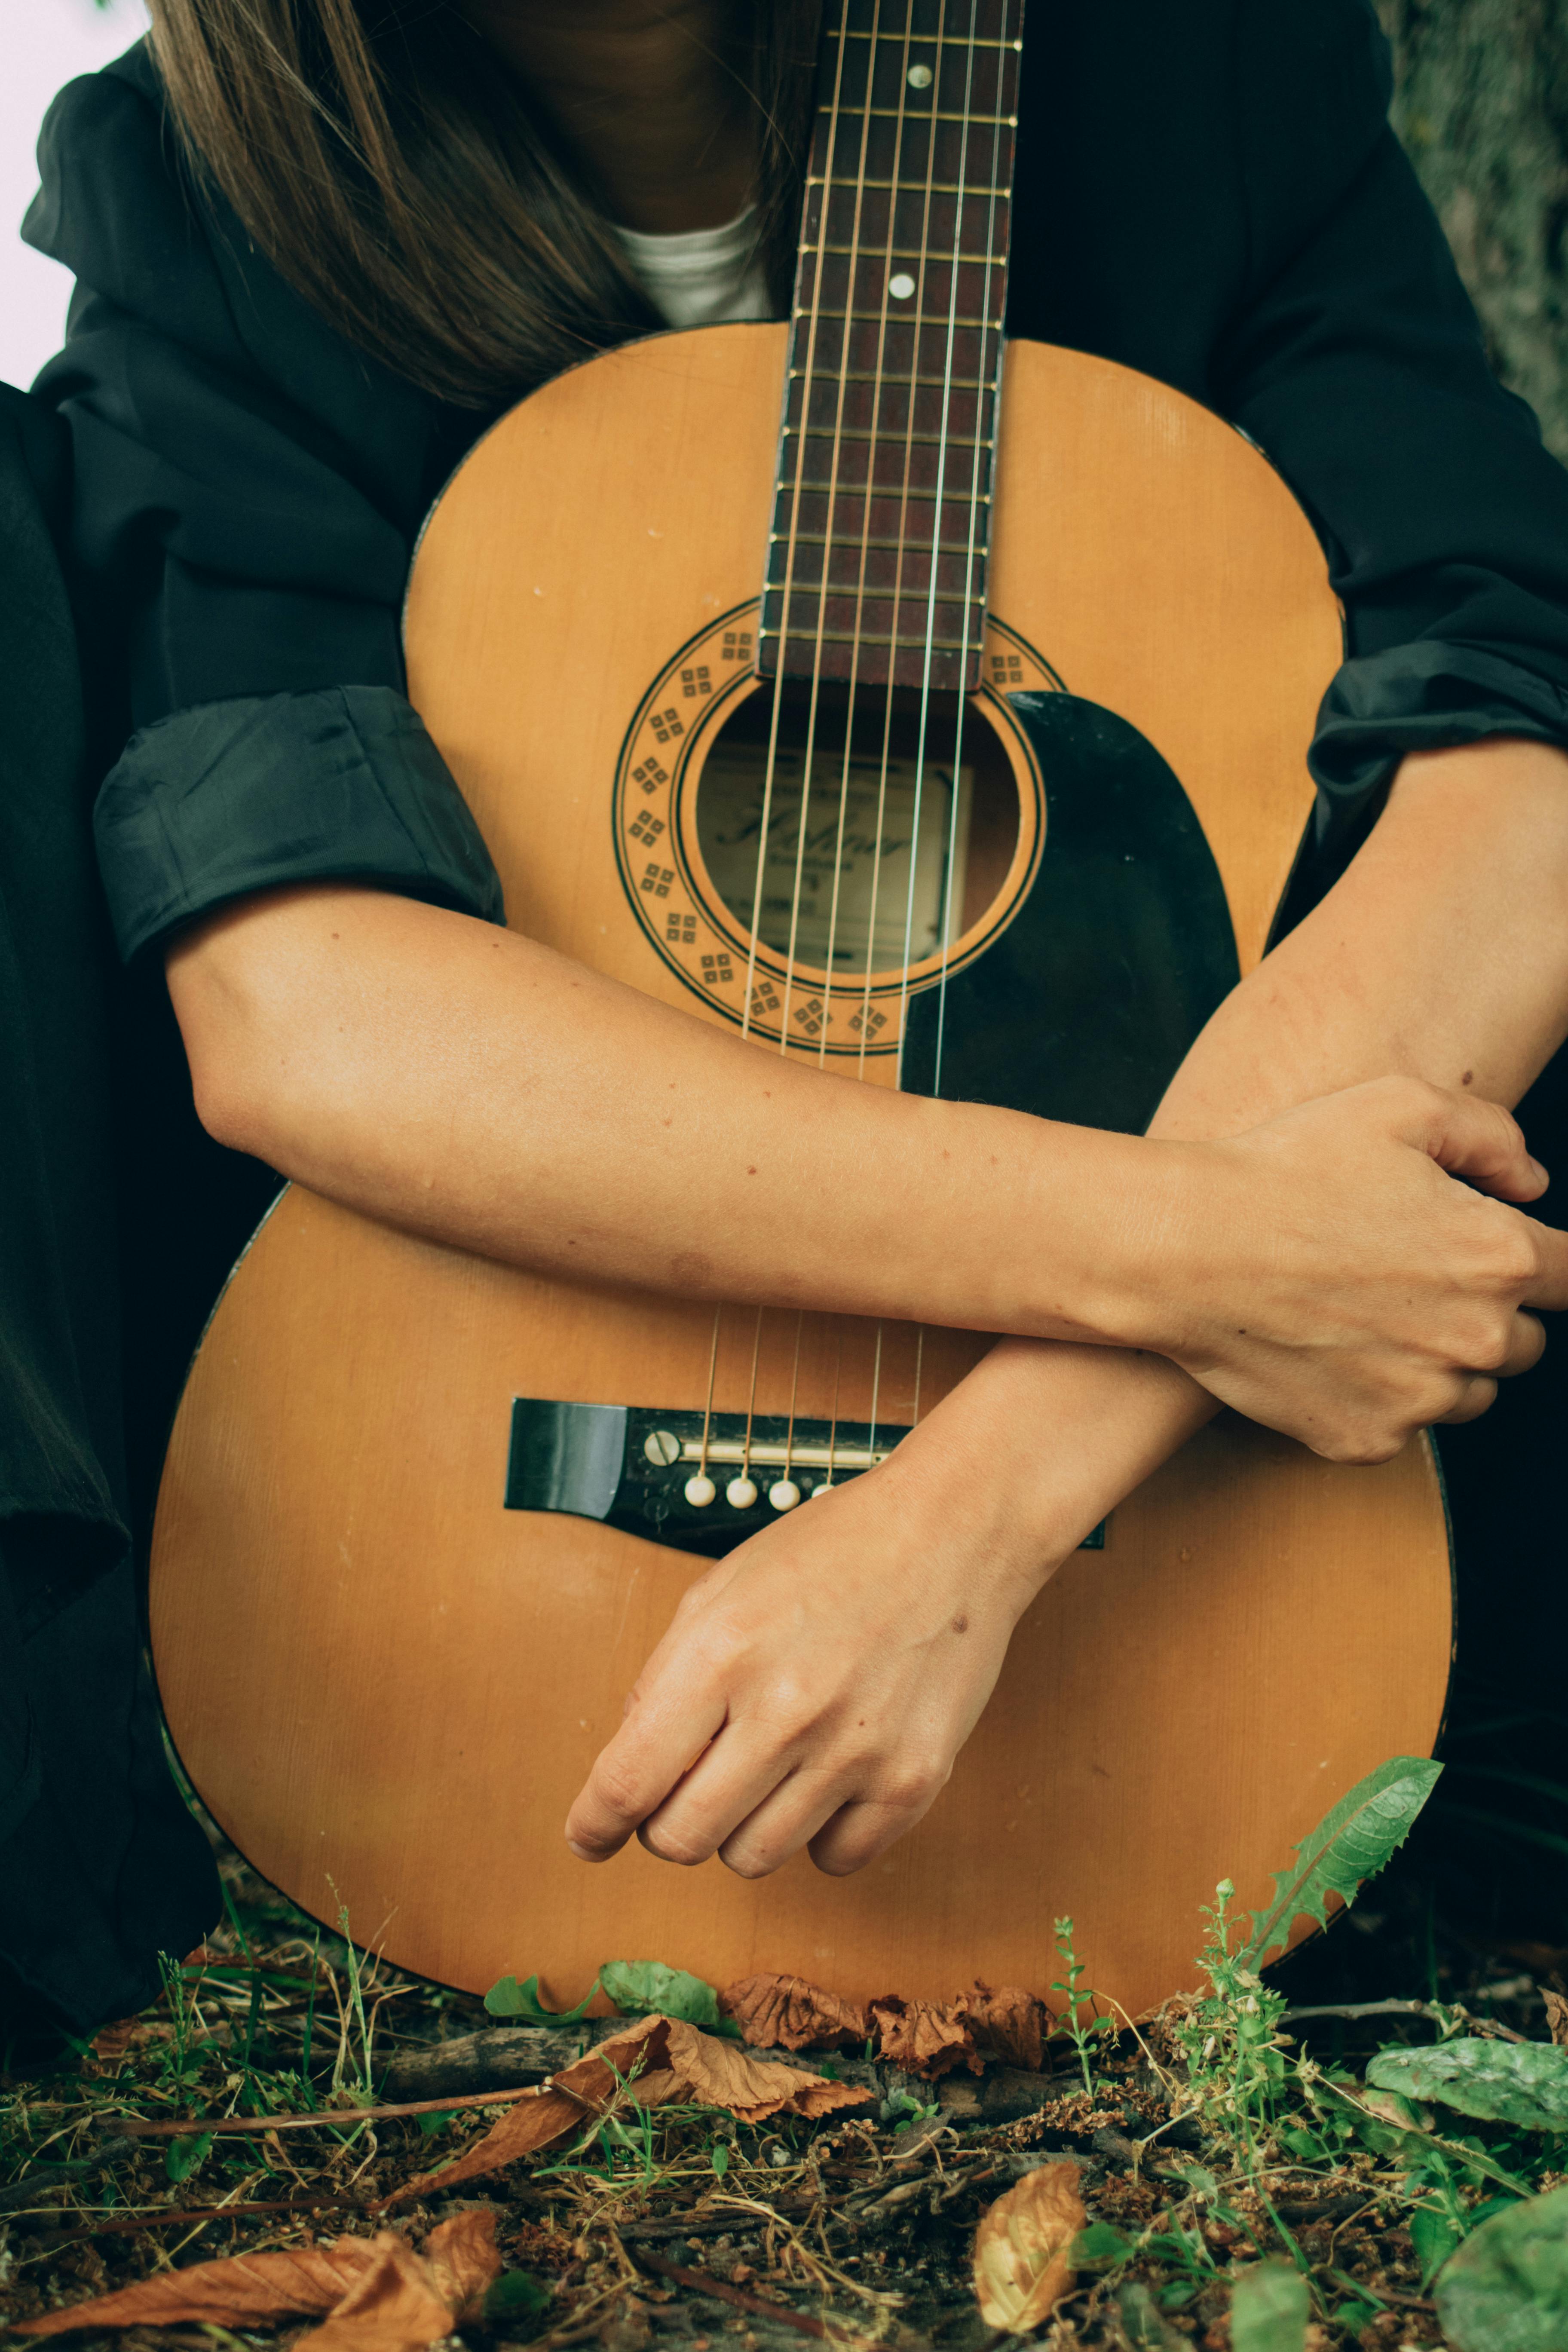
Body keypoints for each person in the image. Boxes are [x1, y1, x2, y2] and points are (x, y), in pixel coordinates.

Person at [12, 0, 1568, 2014]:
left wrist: (978, 1503)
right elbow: (304, 992)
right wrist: (1213, 1257)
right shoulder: (207, 178)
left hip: (1210, 1418)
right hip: (511, 1345)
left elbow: (1512, 765)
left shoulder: (1209, 64)